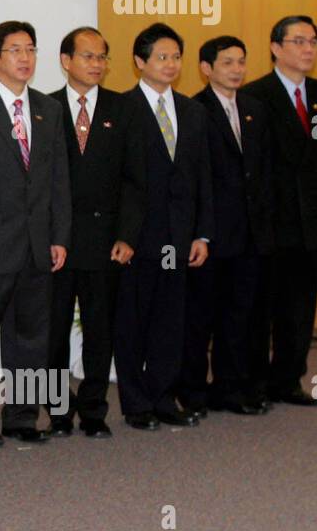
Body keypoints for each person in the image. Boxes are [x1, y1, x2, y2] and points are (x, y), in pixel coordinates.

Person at [0, 21, 70, 446]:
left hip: (38, 246)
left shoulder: (48, 109)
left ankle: (23, 417)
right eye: (15, 50)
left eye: (31, 49)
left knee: (30, 339)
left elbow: (58, 179)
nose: (25, 58)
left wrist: (59, 235)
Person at [242, 16, 317, 407]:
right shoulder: (256, 95)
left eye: (313, 42)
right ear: (276, 47)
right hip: (269, 221)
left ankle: (288, 379)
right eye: (299, 41)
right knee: (262, 305)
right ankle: (255, 383)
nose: (308, 49)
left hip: (310, 220)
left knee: (300, 306)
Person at [114, 22, 213, 430]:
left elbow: (203, 177)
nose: (170, 64)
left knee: (171, 321)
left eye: (176, 57)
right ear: (140, 62)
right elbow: (115, 181)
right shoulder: (121, 109)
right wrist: (121, 235)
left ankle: (163, 397)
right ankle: (136, 403)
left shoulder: (193, 110)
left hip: (178, 238)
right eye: (161, 57)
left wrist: (202, 233)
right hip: (137, 239)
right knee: (133, 321)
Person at [47, 27, 144, 440]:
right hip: (56, 243)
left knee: (99, 331)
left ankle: (93, 410)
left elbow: (135, 180)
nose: (97, 64)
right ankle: (56, 409)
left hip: (106, 241)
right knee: (50, 332)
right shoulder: (44, 108)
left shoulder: (123, 109)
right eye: (88, 57)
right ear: (66, 60)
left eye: (102, 57)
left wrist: (128, 235)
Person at [182, 35, 274, 416]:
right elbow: (192, 178)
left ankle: (230, 388)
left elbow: (263, 172)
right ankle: (192, 391)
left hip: (250, 234)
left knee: (239, 316)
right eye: (227, 63)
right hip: (211, 233)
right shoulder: (193, 110)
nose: (237, 70)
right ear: (206, 69)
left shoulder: (254, 108)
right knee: (201, 317)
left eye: (241, 62)